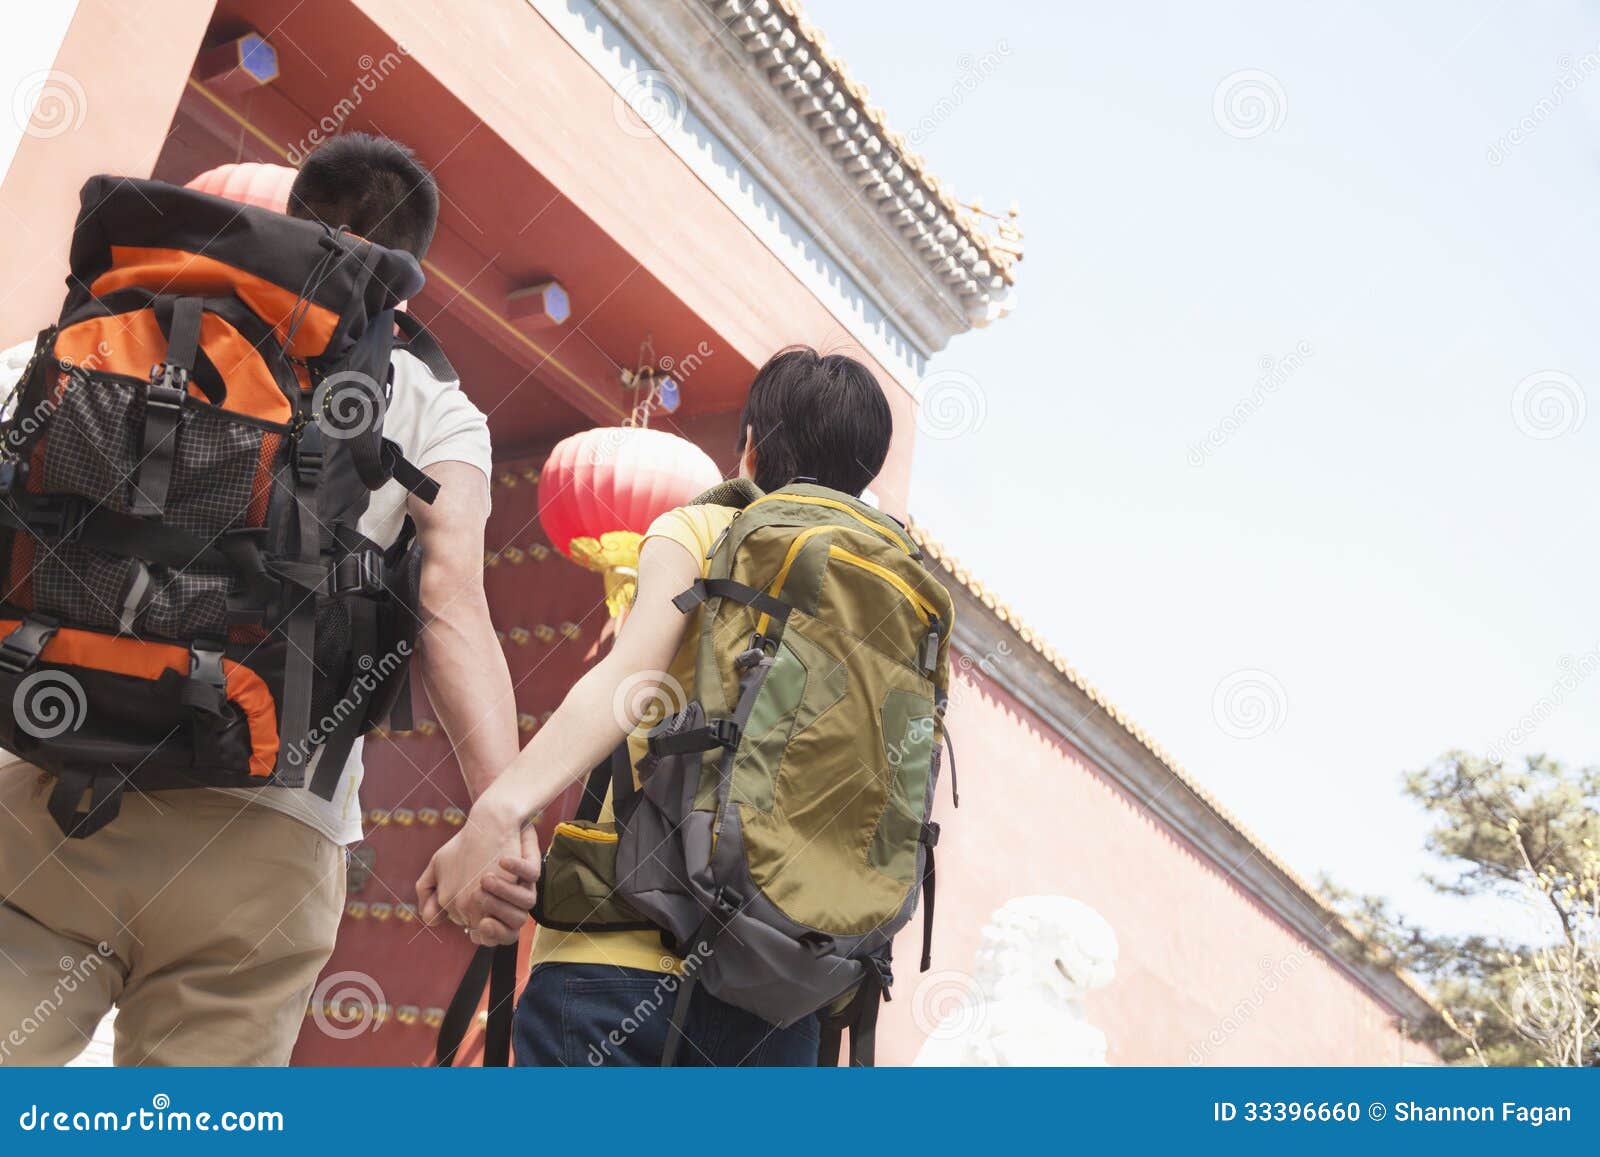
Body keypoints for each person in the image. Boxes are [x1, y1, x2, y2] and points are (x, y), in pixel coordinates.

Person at [0, 134, 525, 1066]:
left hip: (51, 778)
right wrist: (499, 813)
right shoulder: (432, 405)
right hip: (269, 823)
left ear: (285, 219)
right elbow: (450, 605)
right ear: (407, 279)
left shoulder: (119, 331)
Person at [417, 347, 896, 1066]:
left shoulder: (707, 529)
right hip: (786, 998)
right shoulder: (893, 592)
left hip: (620, 960)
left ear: (751, 450)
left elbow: (630, 674)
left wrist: (499, 808)